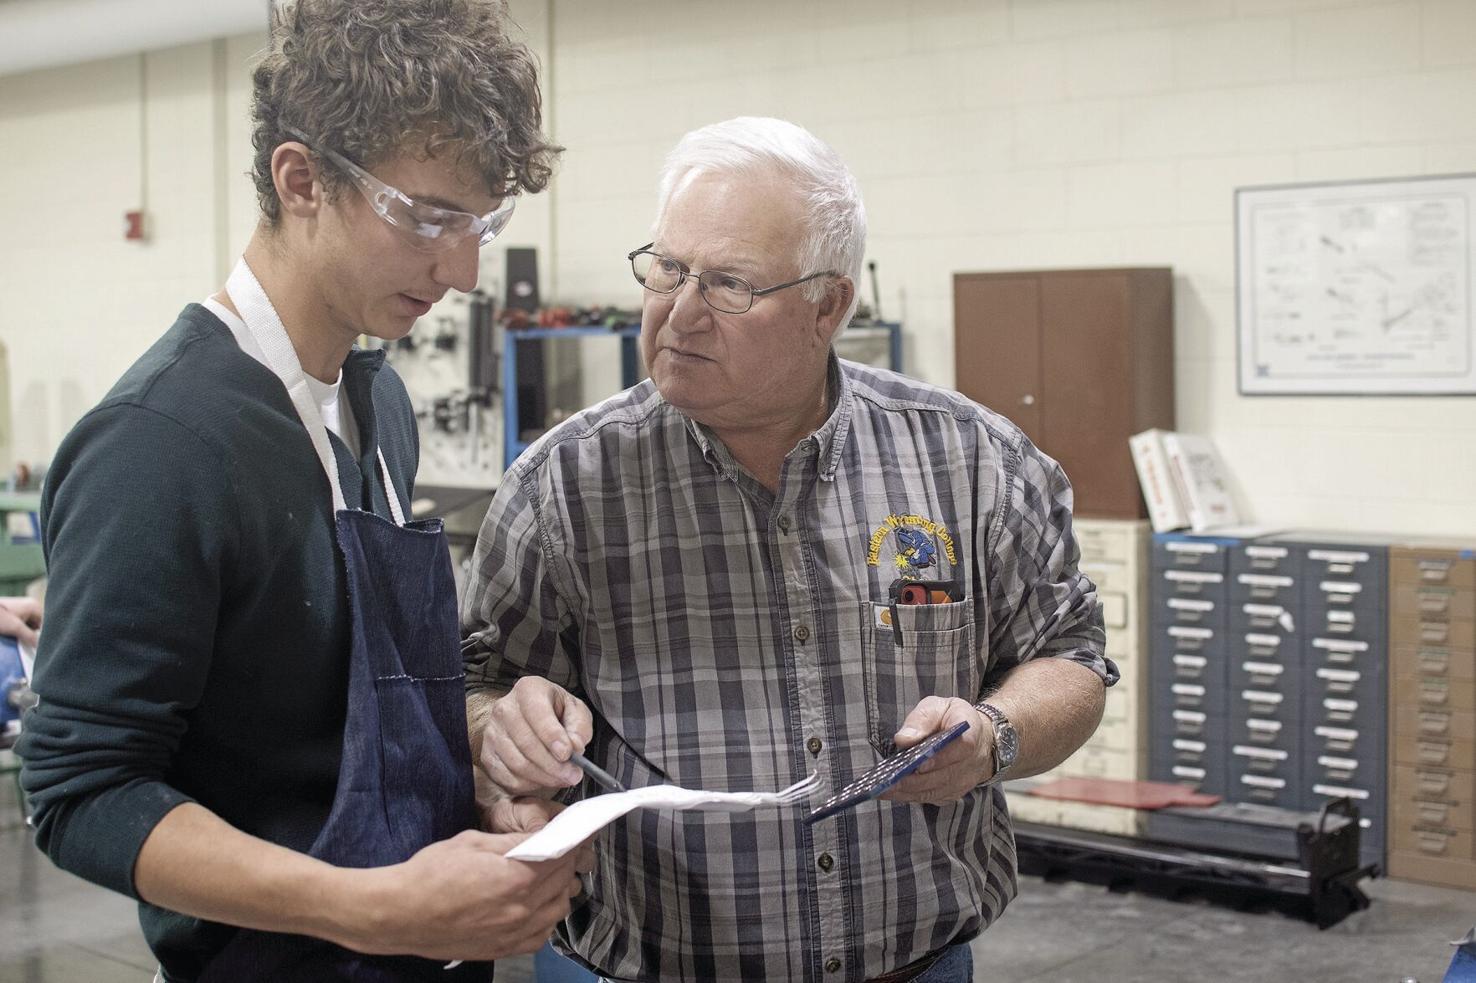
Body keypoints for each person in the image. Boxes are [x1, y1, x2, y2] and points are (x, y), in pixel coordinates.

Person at [462, 116, 1118, 983]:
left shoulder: (971, 462)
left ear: (828, 306)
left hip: (914, 967)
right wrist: (499, 731)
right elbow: (479, 679)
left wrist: (994, 733)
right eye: (667, 268)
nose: (679, 312)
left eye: (730, 284)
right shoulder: (565, 485)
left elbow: (1070, 656)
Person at [17, 2, 584, 980]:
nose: (462, 269)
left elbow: (341, 707)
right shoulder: (162, 443)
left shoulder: (378, 401)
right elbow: (81, 791)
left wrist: (493, 735)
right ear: (301, 178)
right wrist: (366, 907)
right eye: (429, 219)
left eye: (482, 224)